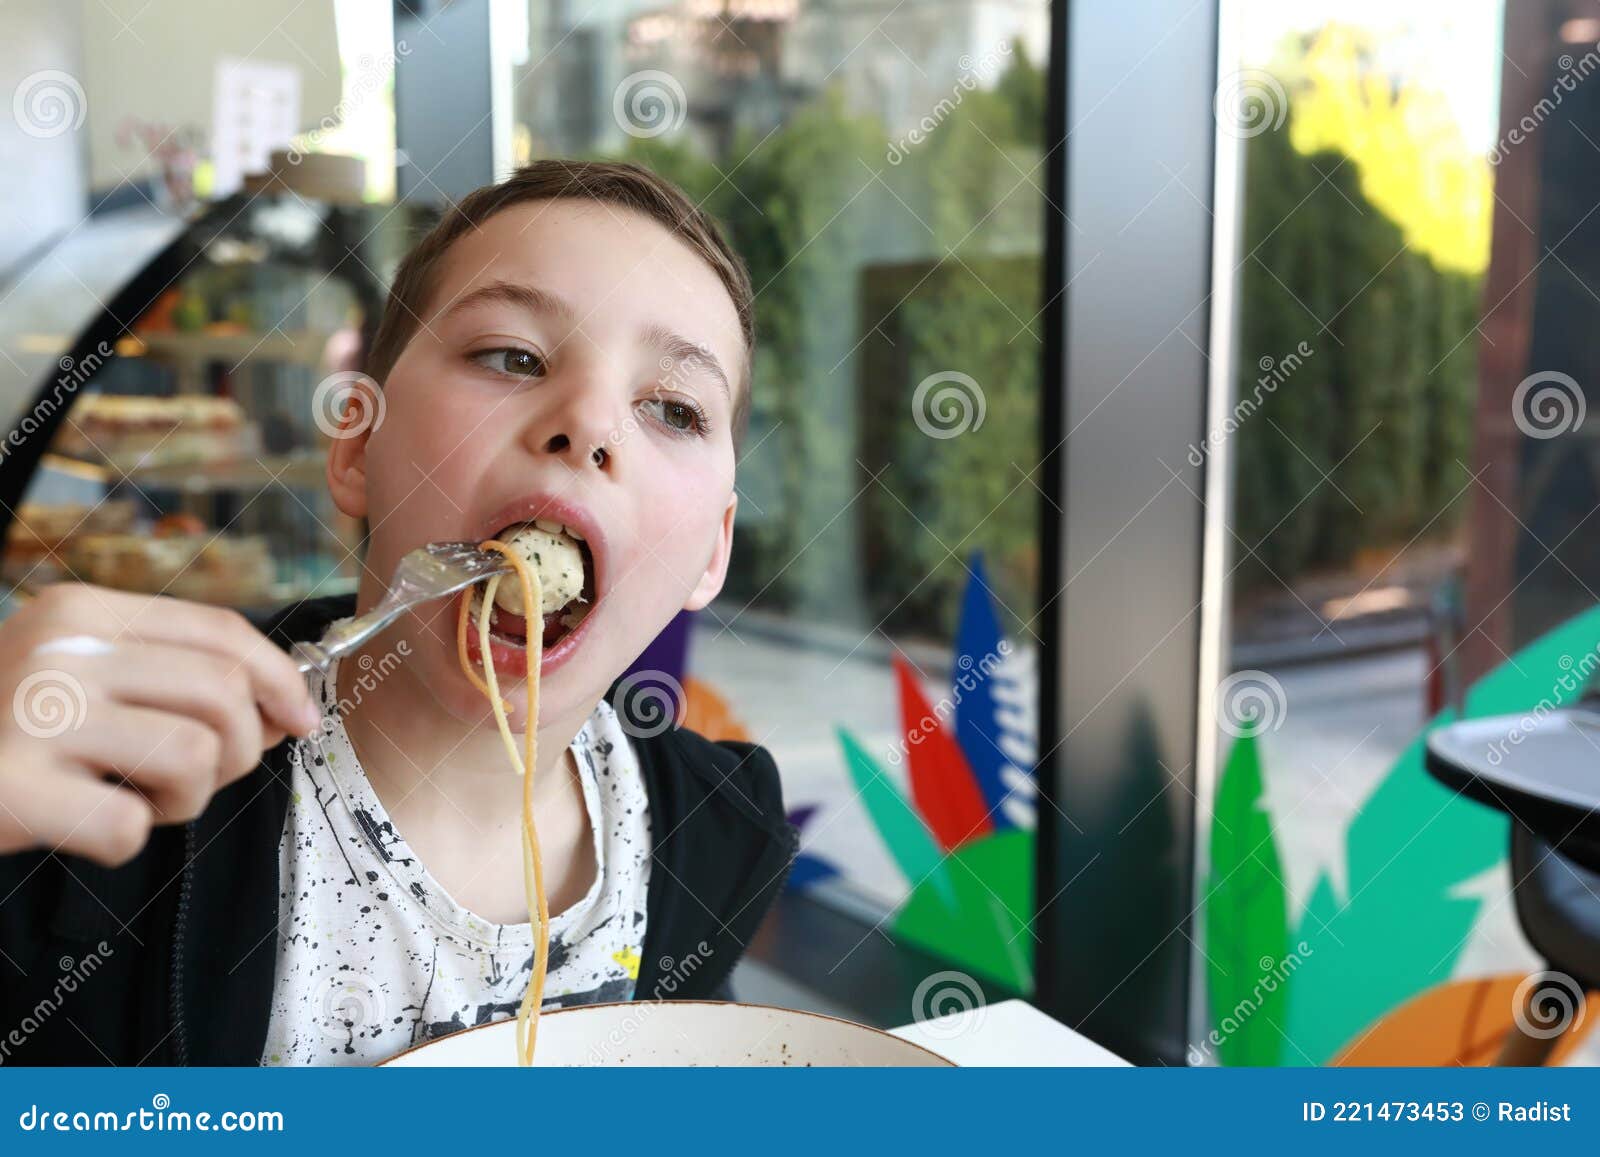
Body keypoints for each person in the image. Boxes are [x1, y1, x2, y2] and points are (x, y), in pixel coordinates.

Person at [0, 160, 795, 1066]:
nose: (589, 423)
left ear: (713, 551)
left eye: (674, 408)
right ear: (356, 445)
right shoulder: (118, 809)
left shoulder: (714, 838)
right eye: (514, 356)